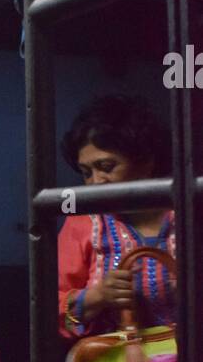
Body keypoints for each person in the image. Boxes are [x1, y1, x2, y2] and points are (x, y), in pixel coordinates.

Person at [58, 93, 175, 341]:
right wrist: (98, 295)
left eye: (106, 167)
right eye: (86, 172)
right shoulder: (82, 224)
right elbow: (52, 310)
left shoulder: (188, 217)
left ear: (145, 161)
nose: (95, 182)